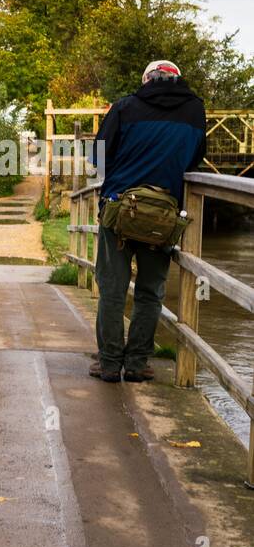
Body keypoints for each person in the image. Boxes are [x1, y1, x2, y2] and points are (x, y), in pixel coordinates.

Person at [89, 60, 206, 383]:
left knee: (112, 288)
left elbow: (97, 158)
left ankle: (110, 364)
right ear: (177, 80)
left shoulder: (125, 107)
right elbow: (195, 158)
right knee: (151, 291)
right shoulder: (195, 111)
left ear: (146, 80)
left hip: (119, 210)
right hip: (164, 215)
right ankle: (138, 364)